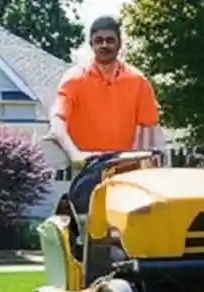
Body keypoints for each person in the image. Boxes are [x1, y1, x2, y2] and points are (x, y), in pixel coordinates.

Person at [50, 14, 163, 216]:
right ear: (91, 44)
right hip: (87, 168)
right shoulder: (75, 78)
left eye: (110, 40)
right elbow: (57, 122)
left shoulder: (138, 81)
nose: (104, 45)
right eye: (99, 40)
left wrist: (150, 169)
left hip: (126, 169)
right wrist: (74, 154)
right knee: (88, 231)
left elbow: (150, 130)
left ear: (119, 44)